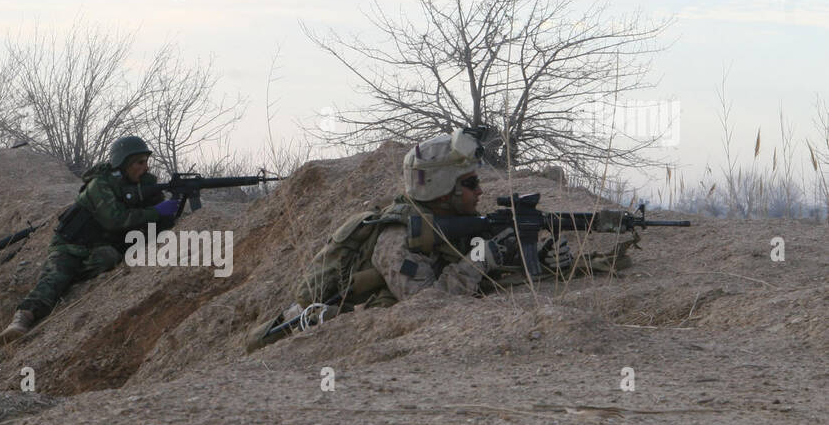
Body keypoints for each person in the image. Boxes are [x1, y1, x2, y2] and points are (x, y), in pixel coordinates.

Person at [243, 127, 625, 351]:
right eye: (471, 184)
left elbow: (463, 270)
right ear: (444, 190)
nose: (480, 192)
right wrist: (484, 257)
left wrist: (539, 259)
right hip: (329, 337)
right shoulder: (395, 237)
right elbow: (426, 305)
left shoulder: (450, 220)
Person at [0, 135, 180, 341]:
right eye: (139, 162)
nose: (145, 168)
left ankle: (73, 277)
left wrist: (169, 205)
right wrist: (156, 212)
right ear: (124, 162)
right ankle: (23, 317)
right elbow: (115, 219)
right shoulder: (99, 185)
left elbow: (152, 210)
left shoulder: (142, 184)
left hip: (98, 245)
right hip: (69, 245)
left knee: (108, 257)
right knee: (56, 276)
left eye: (146, 162)